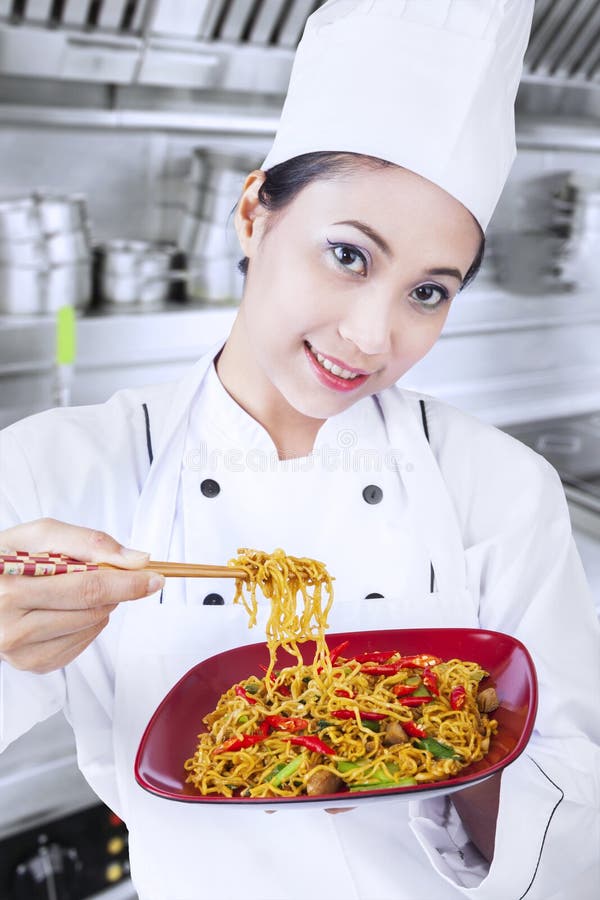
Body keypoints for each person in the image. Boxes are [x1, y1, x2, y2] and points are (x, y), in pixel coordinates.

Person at [1, 1, 599, 898]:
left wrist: (445, 750)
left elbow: (574, 795)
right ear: (253, 214)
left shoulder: (501, 488)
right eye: (351, 256)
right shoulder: (62, 470)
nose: (371, 335)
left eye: (428, 293)